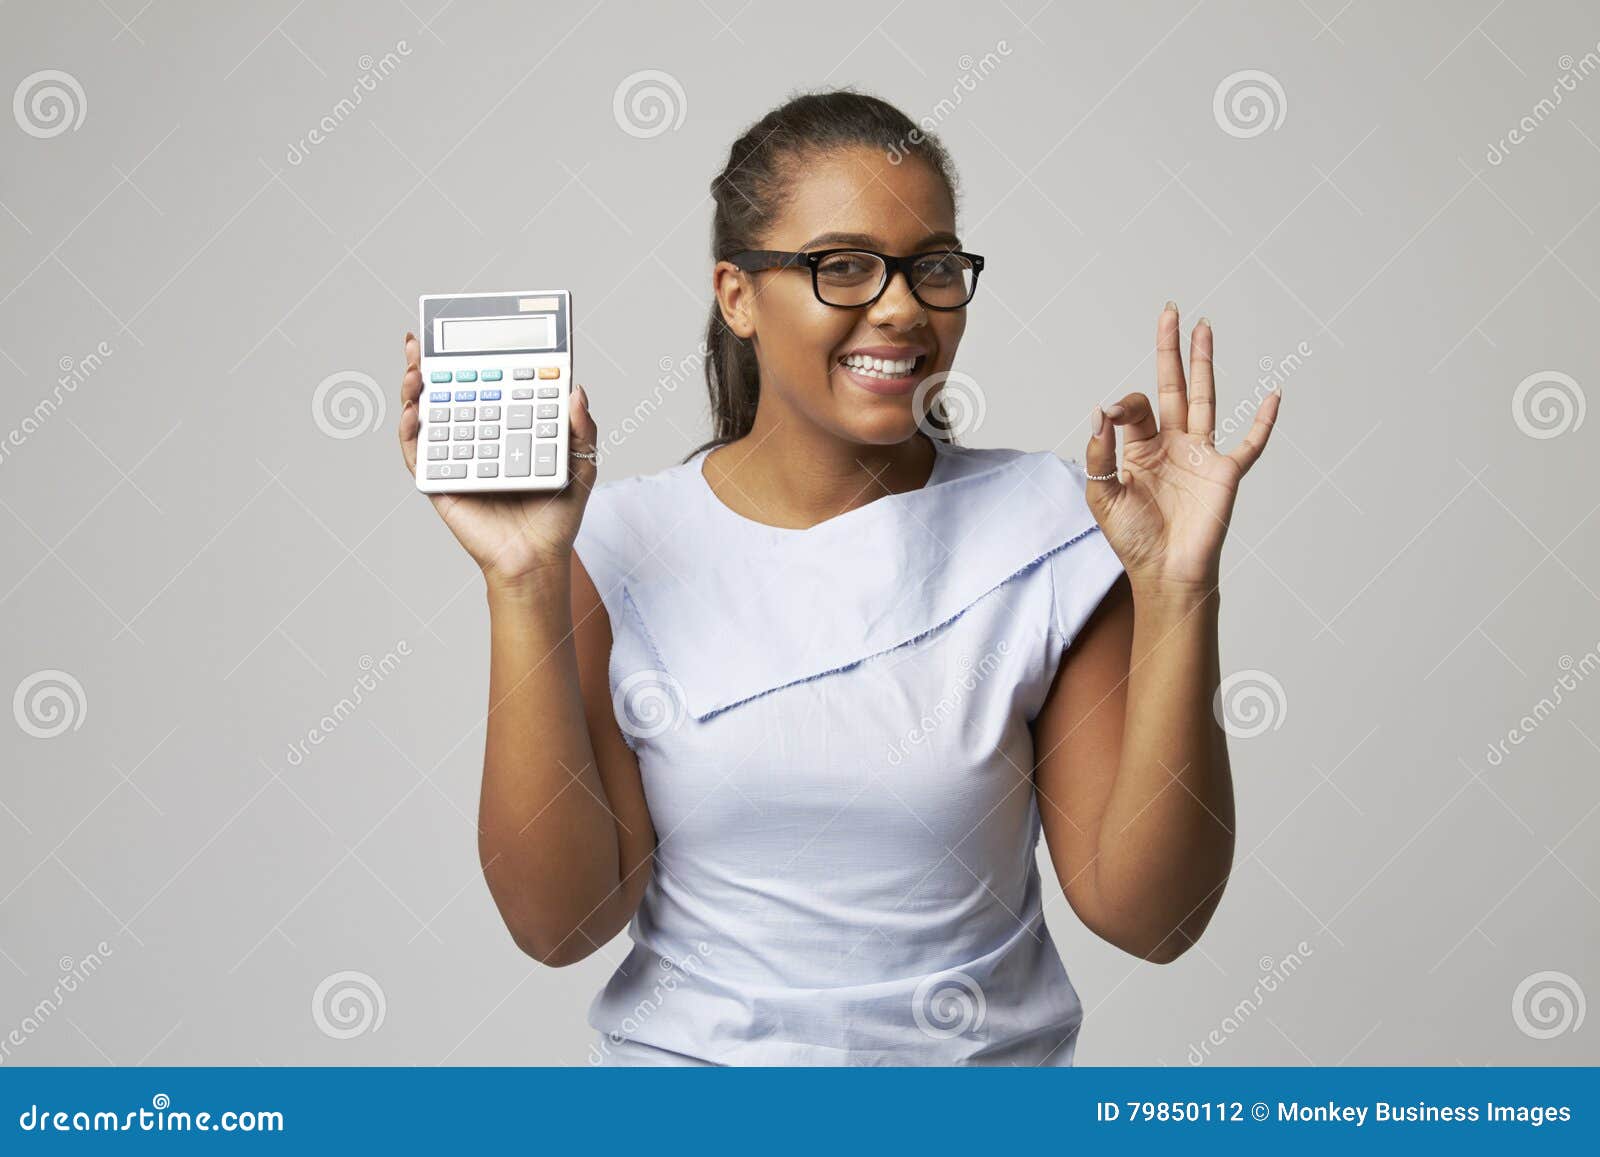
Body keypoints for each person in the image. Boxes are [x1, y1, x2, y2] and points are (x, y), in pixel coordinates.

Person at [395, 89, 1281, 1066]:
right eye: (843, 265)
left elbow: (1153, 917)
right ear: (737, 295)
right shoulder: (616, 547)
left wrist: (1177, 588)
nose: (902, 307)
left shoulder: (1053, 528)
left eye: (932, 266)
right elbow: (558, 924)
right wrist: (523, 579)